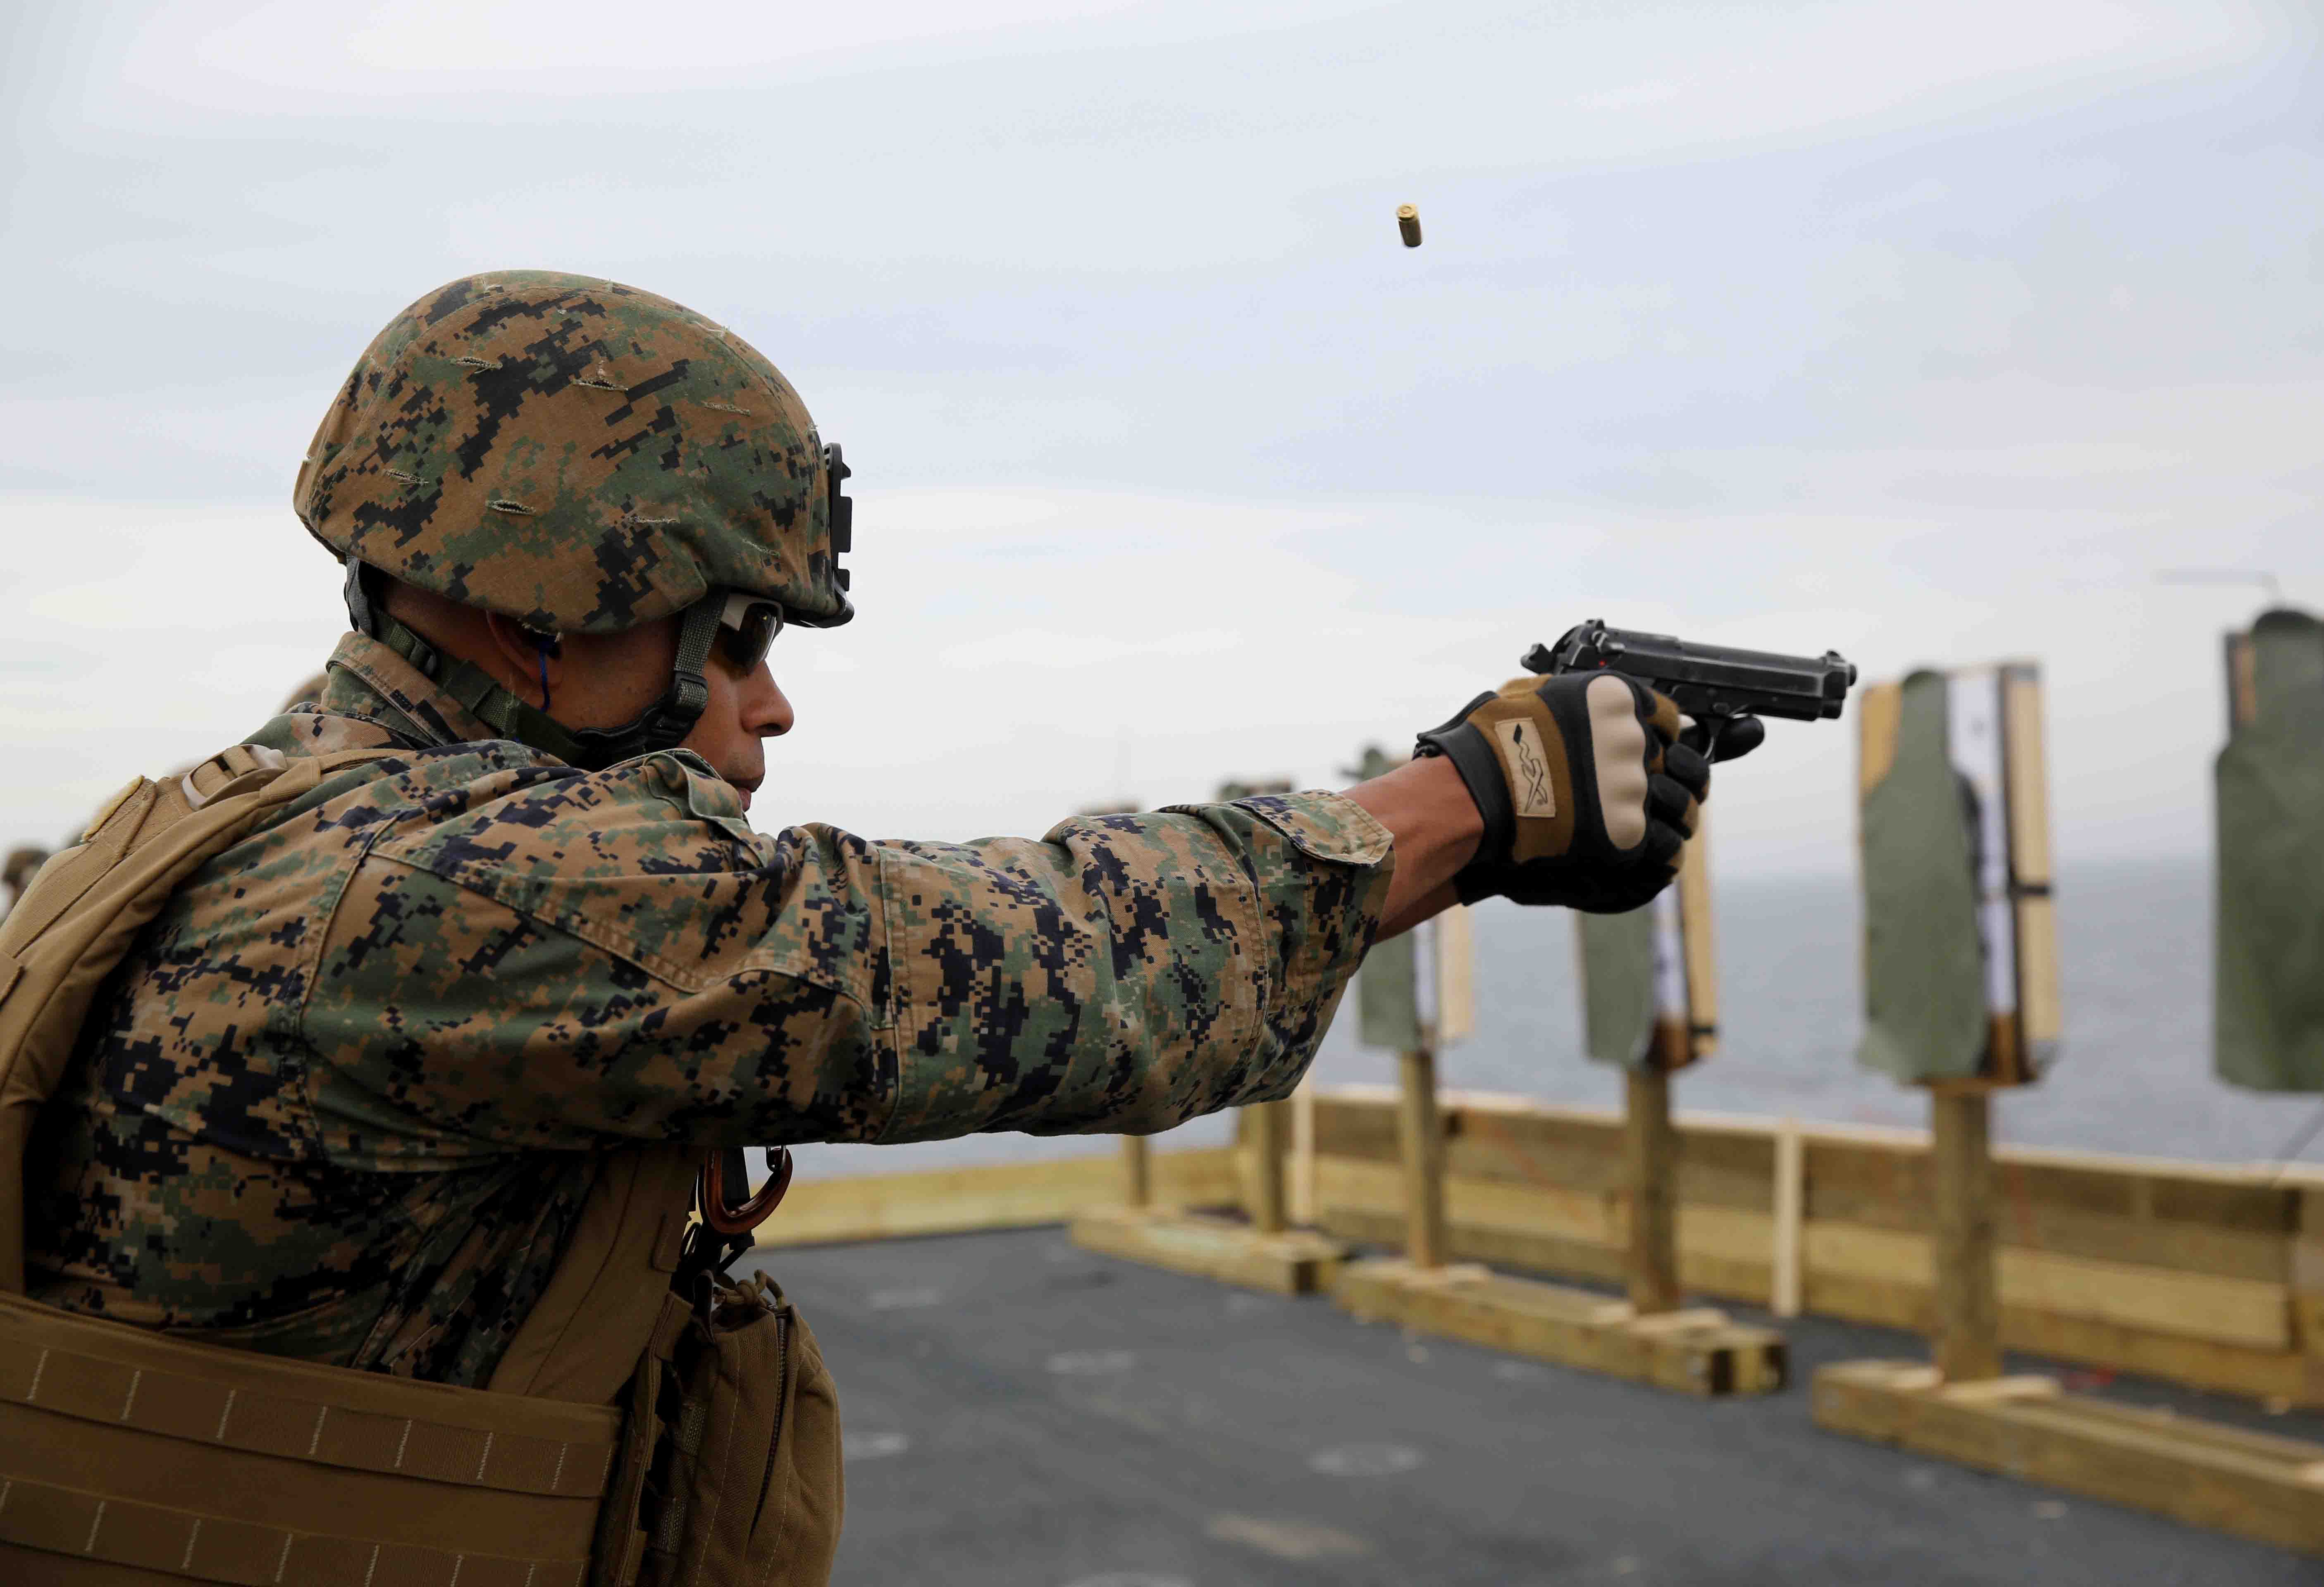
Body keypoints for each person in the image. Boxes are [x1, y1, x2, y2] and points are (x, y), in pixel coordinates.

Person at [14, 270, 1745, 1581]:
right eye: (738, 636)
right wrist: (1473, 796)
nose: (768, 706)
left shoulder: (219, 824)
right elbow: (1032, 966)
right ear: (556, 605)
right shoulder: (447, 896)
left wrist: (1448, 838)